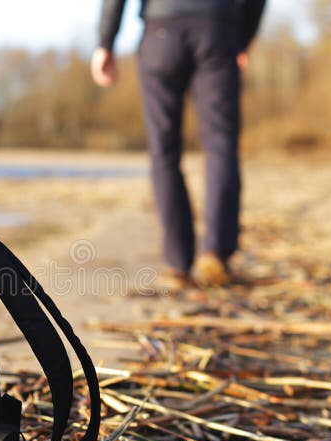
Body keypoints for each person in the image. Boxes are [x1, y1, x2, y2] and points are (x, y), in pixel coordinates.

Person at [92, 0, 265, 288]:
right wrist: (243, 37)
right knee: (221, 145)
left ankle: (178, 261)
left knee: (164, 151)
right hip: (217, 28)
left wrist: (105, 41)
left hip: (162, 32)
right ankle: (215, 254)